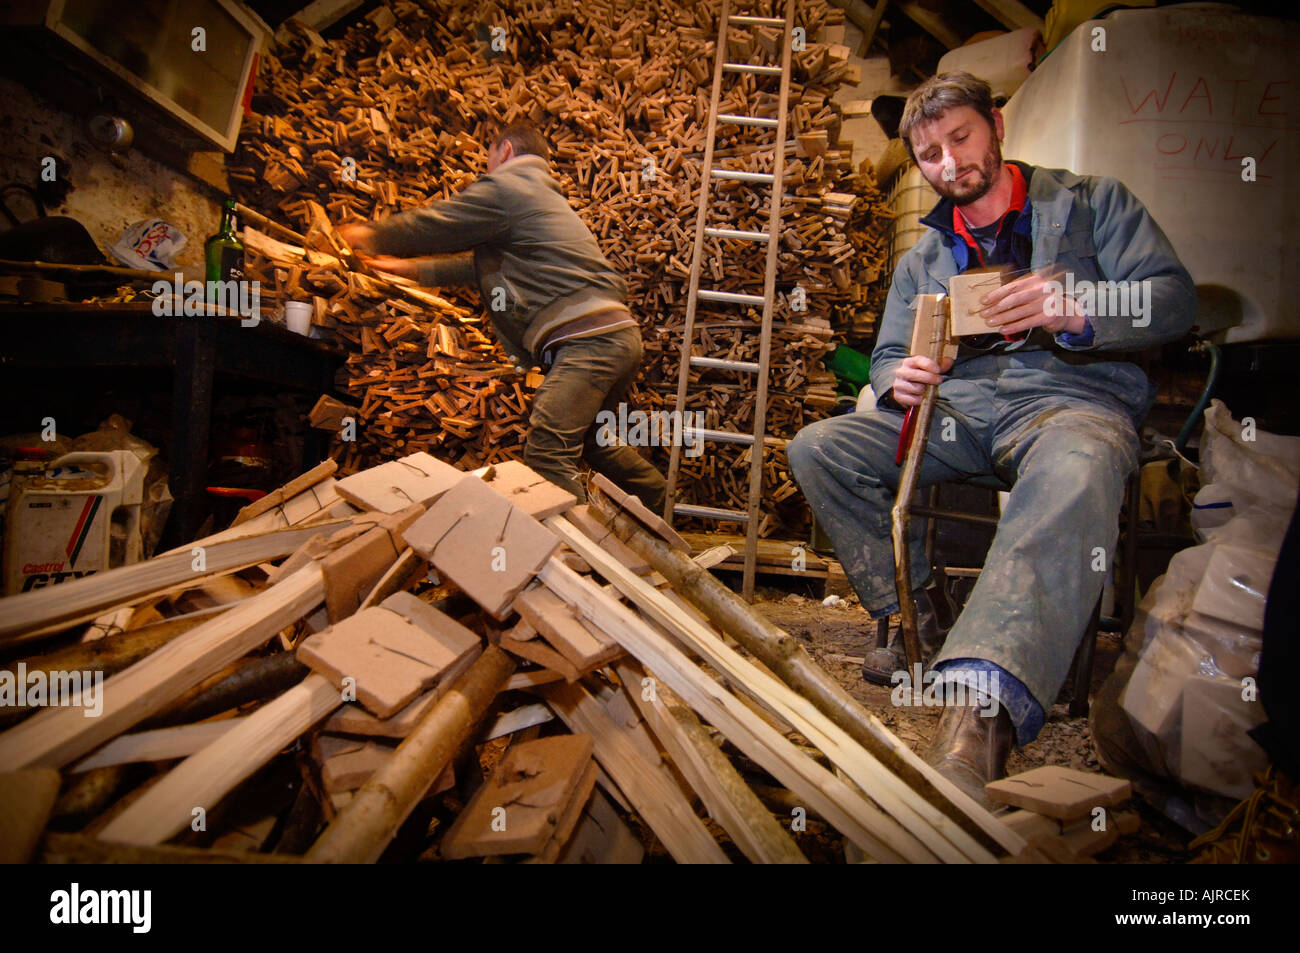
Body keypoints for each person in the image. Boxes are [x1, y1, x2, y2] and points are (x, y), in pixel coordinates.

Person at [786, 72, 1197, 805]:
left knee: (1075, 466)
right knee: (821, 447)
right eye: (929, 155)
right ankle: (917, 607)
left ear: (997, 126)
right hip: (963, 409)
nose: (948, 163)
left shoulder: (1094, 202)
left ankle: (983, 706)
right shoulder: (923, 257)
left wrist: (1079, 306)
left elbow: (1173, 299)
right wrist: (898, 380)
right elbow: (883, 355)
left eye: (961, 138)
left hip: (1075, 398)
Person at [338, 122, 667, 511]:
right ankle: (661, 507)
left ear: (506, 150)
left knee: (547, 453)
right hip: (614, 337)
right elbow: (477, 268)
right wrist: (408, 269)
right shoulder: (536, 199)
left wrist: (368, 235)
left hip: (589, 342)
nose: (486, 168)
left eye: (489, 157)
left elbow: (436, 223)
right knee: (596, 441)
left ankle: (587, 563)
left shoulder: (510, 188)